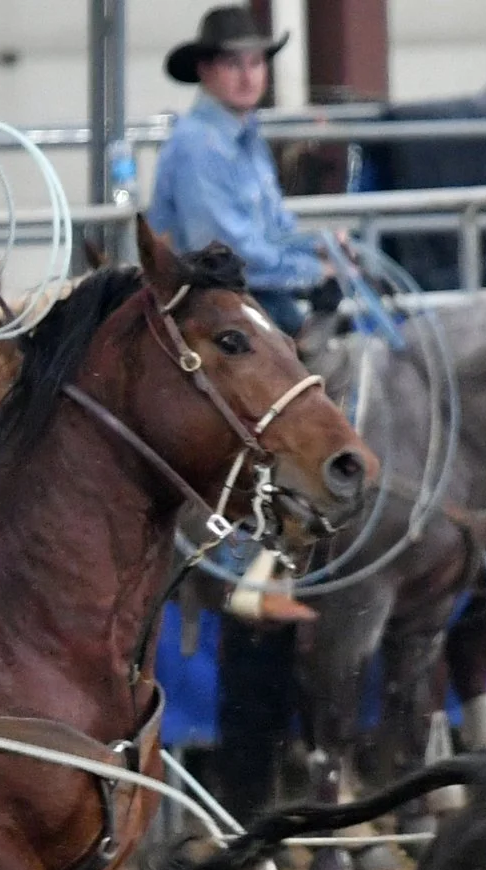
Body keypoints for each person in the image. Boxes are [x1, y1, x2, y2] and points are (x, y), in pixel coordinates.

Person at [150, 5, 331, 626]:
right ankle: (257, 560)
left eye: (256, 63)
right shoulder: (200, 145)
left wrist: (324, 250)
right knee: (294, 390)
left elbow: (275, 229)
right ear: (207, 71)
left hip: (251, 296)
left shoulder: (244, 137)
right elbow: (225, 252)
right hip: (211, 304)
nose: (250, 75)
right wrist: (312, 271)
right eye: (235, 64)